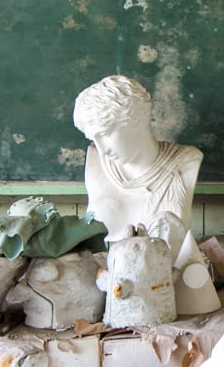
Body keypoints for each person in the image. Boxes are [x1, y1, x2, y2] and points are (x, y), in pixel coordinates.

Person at [73, 75, 202, 247]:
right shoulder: (96, 161)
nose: (102, 150)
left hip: (167, 270)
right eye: (93, 139)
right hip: (103, 270)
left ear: (136, 119)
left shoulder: (186, 163)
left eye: (104, 134)